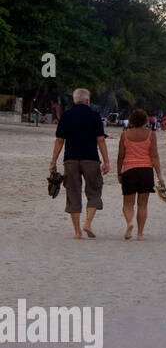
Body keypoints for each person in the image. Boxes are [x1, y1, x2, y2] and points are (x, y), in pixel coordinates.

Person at [50, 88, 109, 239]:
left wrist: (53, 161)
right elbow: (101, 140)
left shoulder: (66, 116)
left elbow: (59, 140)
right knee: (94, 191)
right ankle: (88, 223)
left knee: (73, 193)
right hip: (91, 158)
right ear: (87, 101)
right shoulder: (95, 116)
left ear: (75, 100)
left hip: (71, 159)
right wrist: (106, 161)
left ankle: (77, 231)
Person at [117, 108, 165, 240]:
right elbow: (154, 156)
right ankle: (140, 234)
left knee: (128, 203)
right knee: (143, 204)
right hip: (146, 171)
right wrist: (159, 175)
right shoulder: (151, 135)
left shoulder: (125, 135)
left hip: (129, 170)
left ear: (131, 120)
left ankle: (129, 222)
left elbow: (121, 156)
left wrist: (119, 172)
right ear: (145, 120)